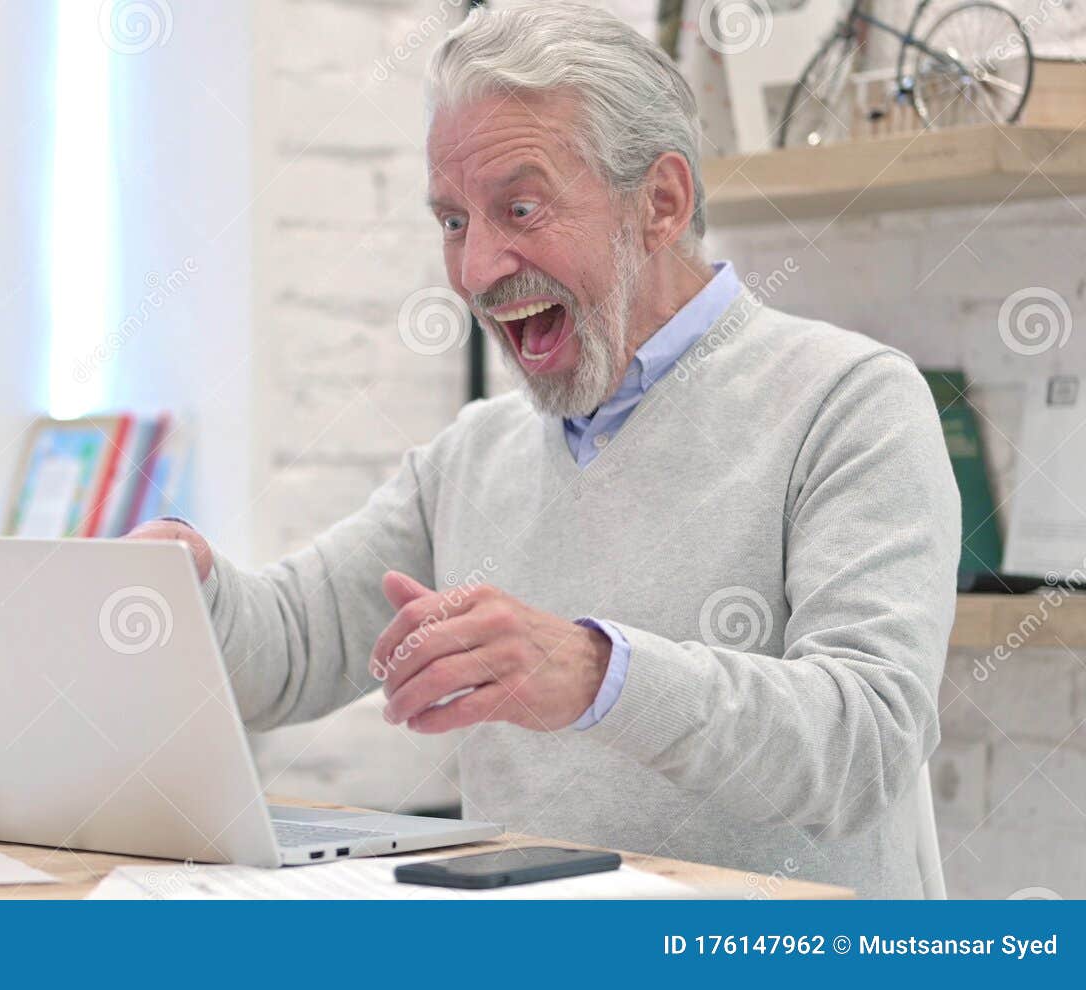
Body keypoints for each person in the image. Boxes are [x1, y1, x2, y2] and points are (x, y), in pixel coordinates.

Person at [129, 3, 959, 898]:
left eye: (519, 208)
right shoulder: (476, 454)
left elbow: (865, 745)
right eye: (453, 221)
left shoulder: (851, 401)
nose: (479, 268)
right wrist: (189, 588)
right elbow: (287, 652)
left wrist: (597, 674)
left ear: (662, 204)